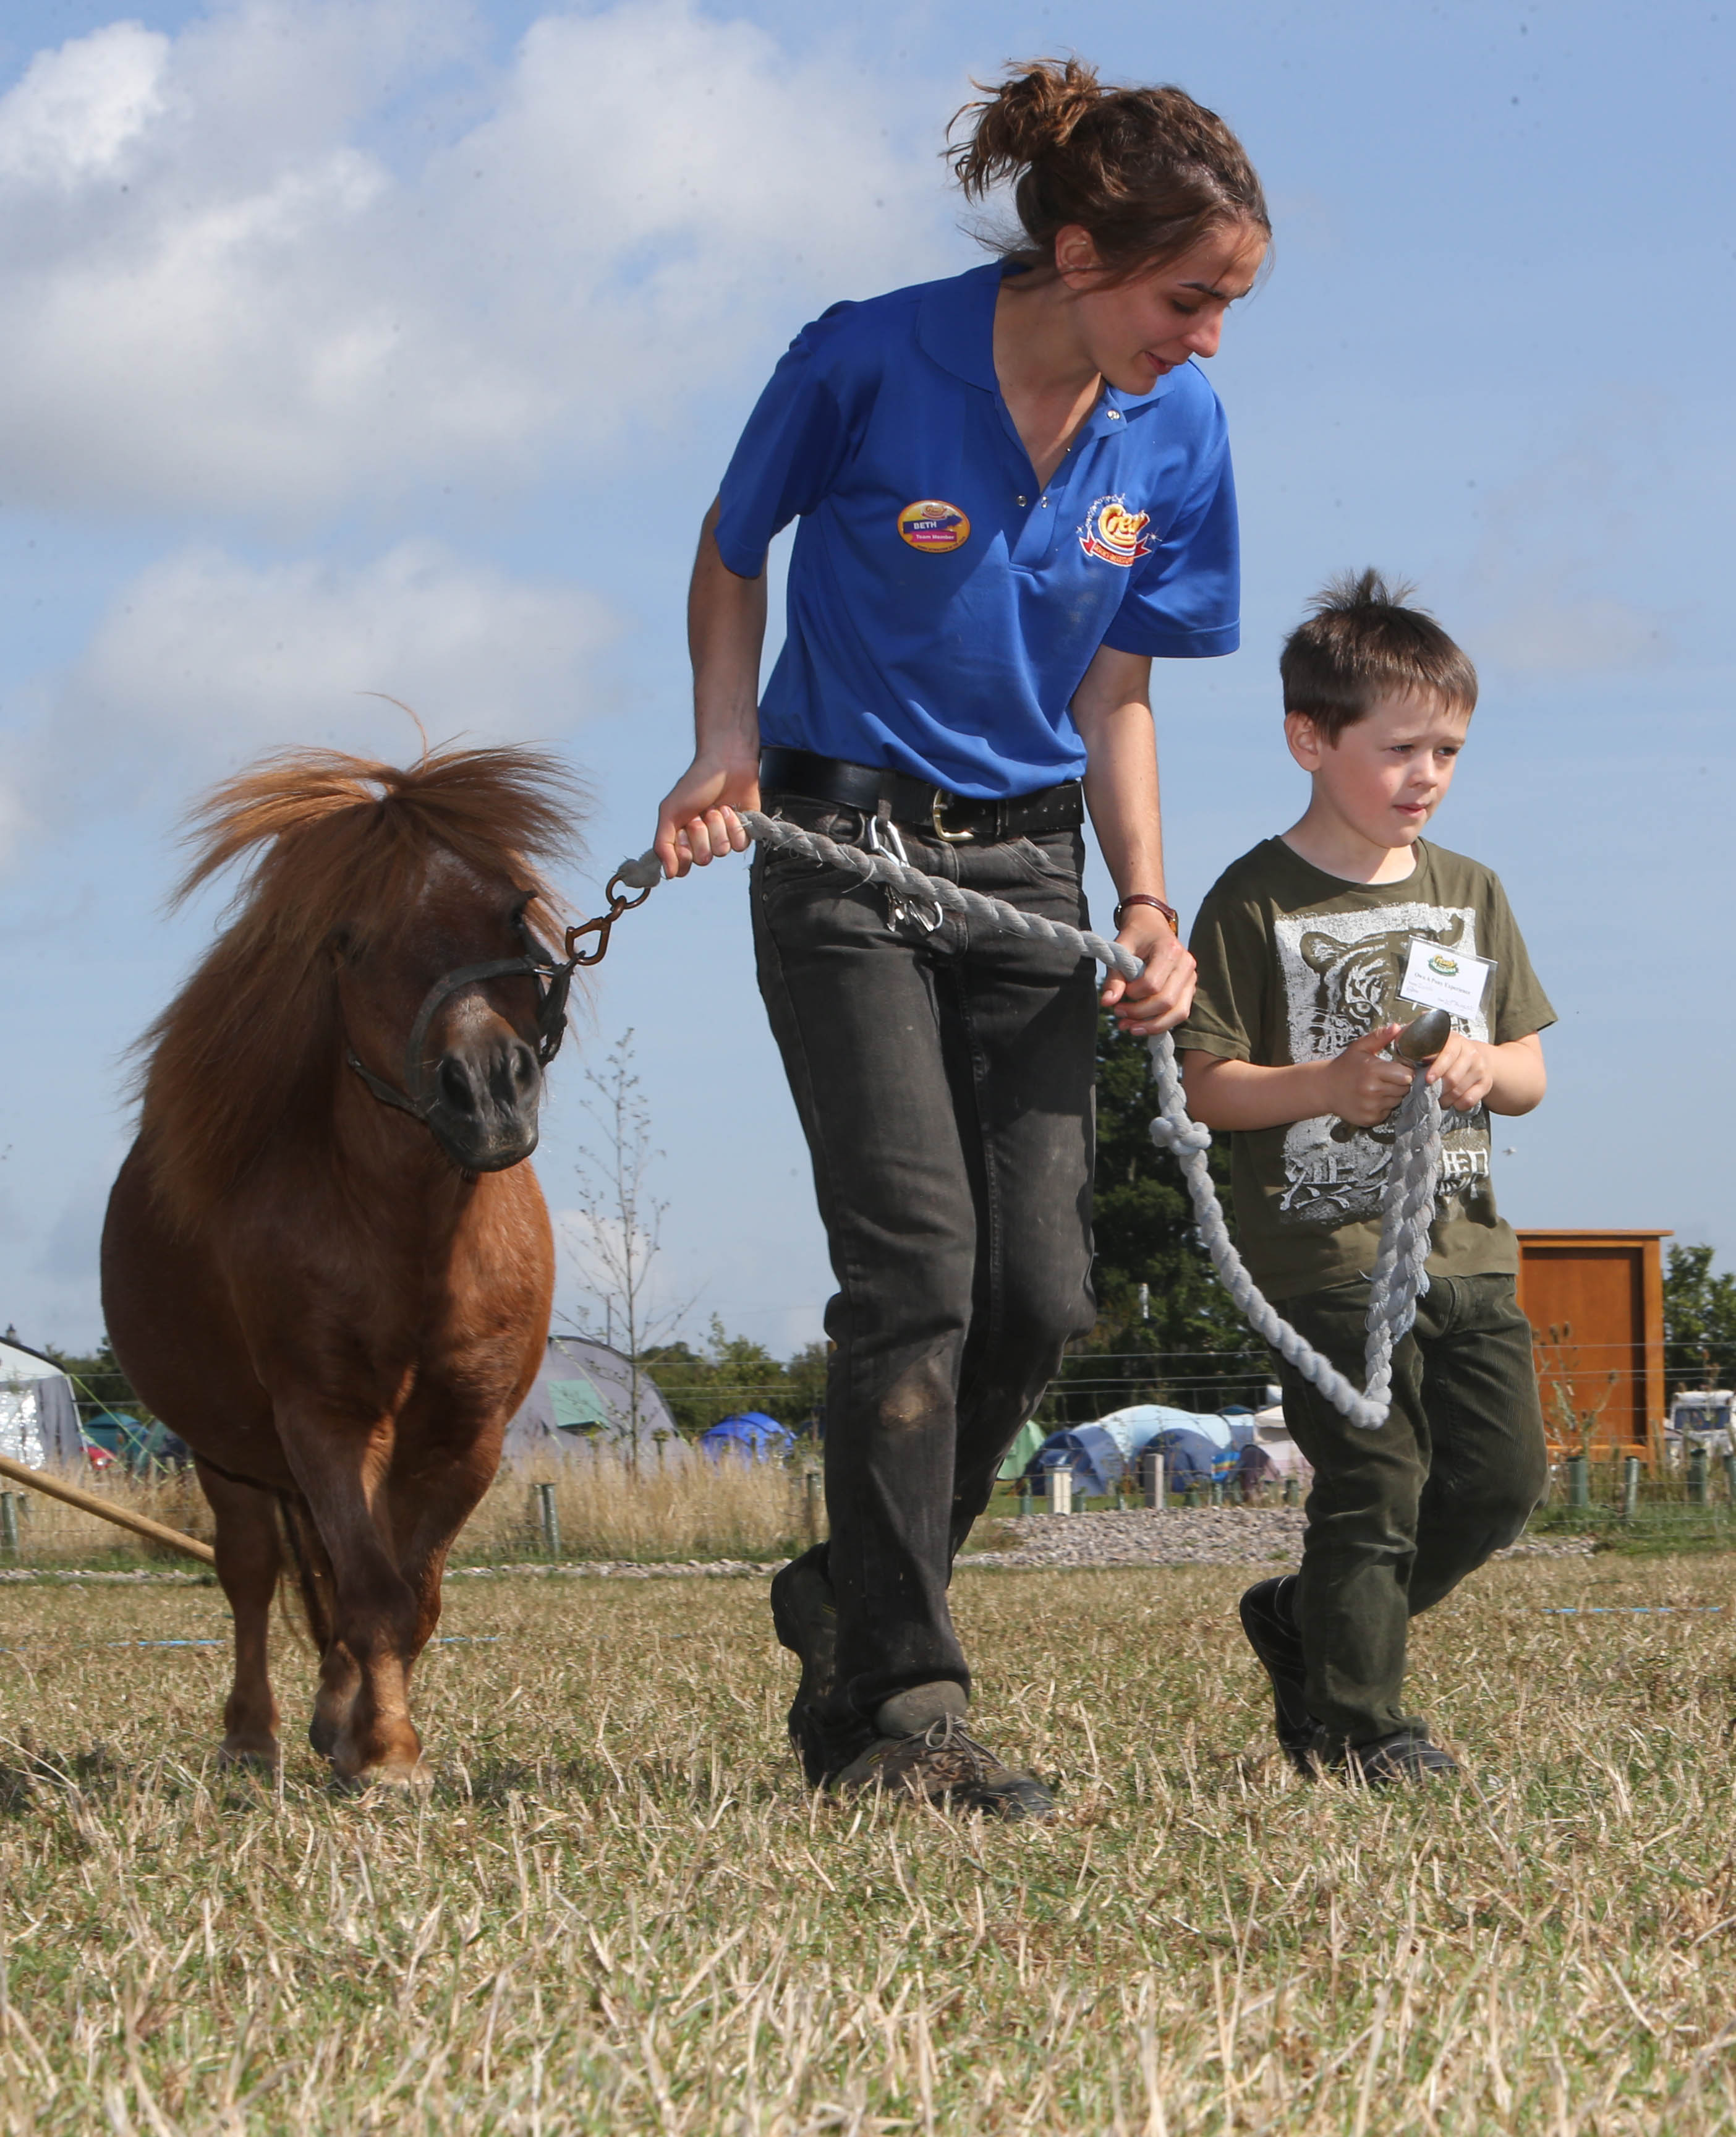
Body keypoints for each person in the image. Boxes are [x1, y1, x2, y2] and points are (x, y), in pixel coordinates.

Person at [653, 59, 1270, 1815]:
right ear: (1080, 252)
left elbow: (1119, 685)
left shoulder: (1184, 431)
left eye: (1229, 303)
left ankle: (849, 1600)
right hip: (840, 846)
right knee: (916, 1271)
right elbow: (728, 545)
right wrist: (725, 740)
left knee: (1043, 1292)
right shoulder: (866, 354)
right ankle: (895, 1710)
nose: (1210, 338)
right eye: (1189, 297)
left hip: (1033, 876)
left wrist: (1147, 902)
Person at [1178, 572, 1553, 1785]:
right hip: (1318, 1255)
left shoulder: (1472, 892)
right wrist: (1327, 1088)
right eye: (1401, 749)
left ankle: (1305, 1621)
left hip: (1465, 1243)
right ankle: (1360, 1728)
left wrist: (1485, 1070)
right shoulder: (1252, 899)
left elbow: (1530, 1069)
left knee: (1499, 1482)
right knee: (1375, 1482)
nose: (1428, 775)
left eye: (1447, 749)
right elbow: (1208, 1087)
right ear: (1310, 739)